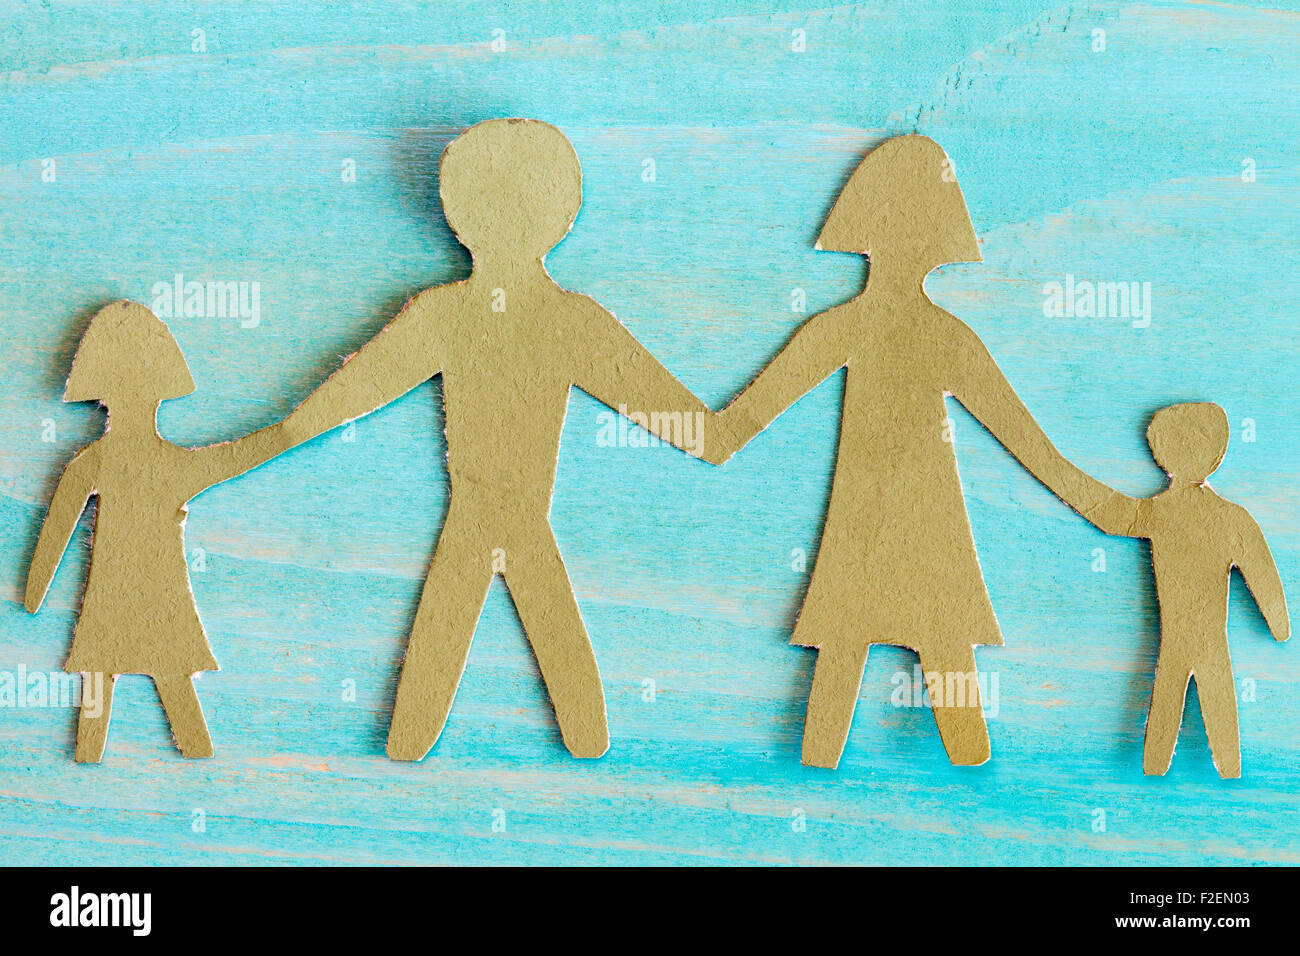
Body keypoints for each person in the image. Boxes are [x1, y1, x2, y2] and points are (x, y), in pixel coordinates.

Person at [281, 119, 718, 762]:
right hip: (507, 515)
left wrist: (261, 443)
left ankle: (418, 743)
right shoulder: (568, 320)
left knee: (452, 631)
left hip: (485, 515)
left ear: (458, 213)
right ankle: (542, 740)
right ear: (562, 214)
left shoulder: (447, 313)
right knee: (534, 641)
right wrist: (759, 407)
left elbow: (327, 409)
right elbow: (696, 430)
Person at [713, 135, 1109, 768]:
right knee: (926, 646)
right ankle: (950, 768)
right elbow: (1034, 450)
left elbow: (730, 429)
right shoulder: (940, 334)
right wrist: (1108, 508)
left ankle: (826, 765)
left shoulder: (844, 327)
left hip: (872, 529)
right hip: (924, 532)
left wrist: (656, 410)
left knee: (851, 646)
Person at [25, 301, 288, 761]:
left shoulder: (93, 462)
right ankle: (169, 754)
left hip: (113, 603)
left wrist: (34, 595)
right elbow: (238, 456)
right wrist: (291, 430)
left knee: (105, 681)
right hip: (152, 600)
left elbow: (55, 533)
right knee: (165, 677)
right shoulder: (167, 465)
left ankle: (92, 757)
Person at [1079, 403, 1289, 777]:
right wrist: (1278, 626)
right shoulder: (1233, 519)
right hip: (1210, 640)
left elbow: (1108, 513)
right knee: (1218, 701)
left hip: (1176, 639)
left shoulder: (1157, 513)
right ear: (1218, 453)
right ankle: (1227, 770)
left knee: (1167, 698)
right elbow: (1265, 577)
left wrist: (1053, 468)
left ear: (1159, 452)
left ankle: (1156, 768)